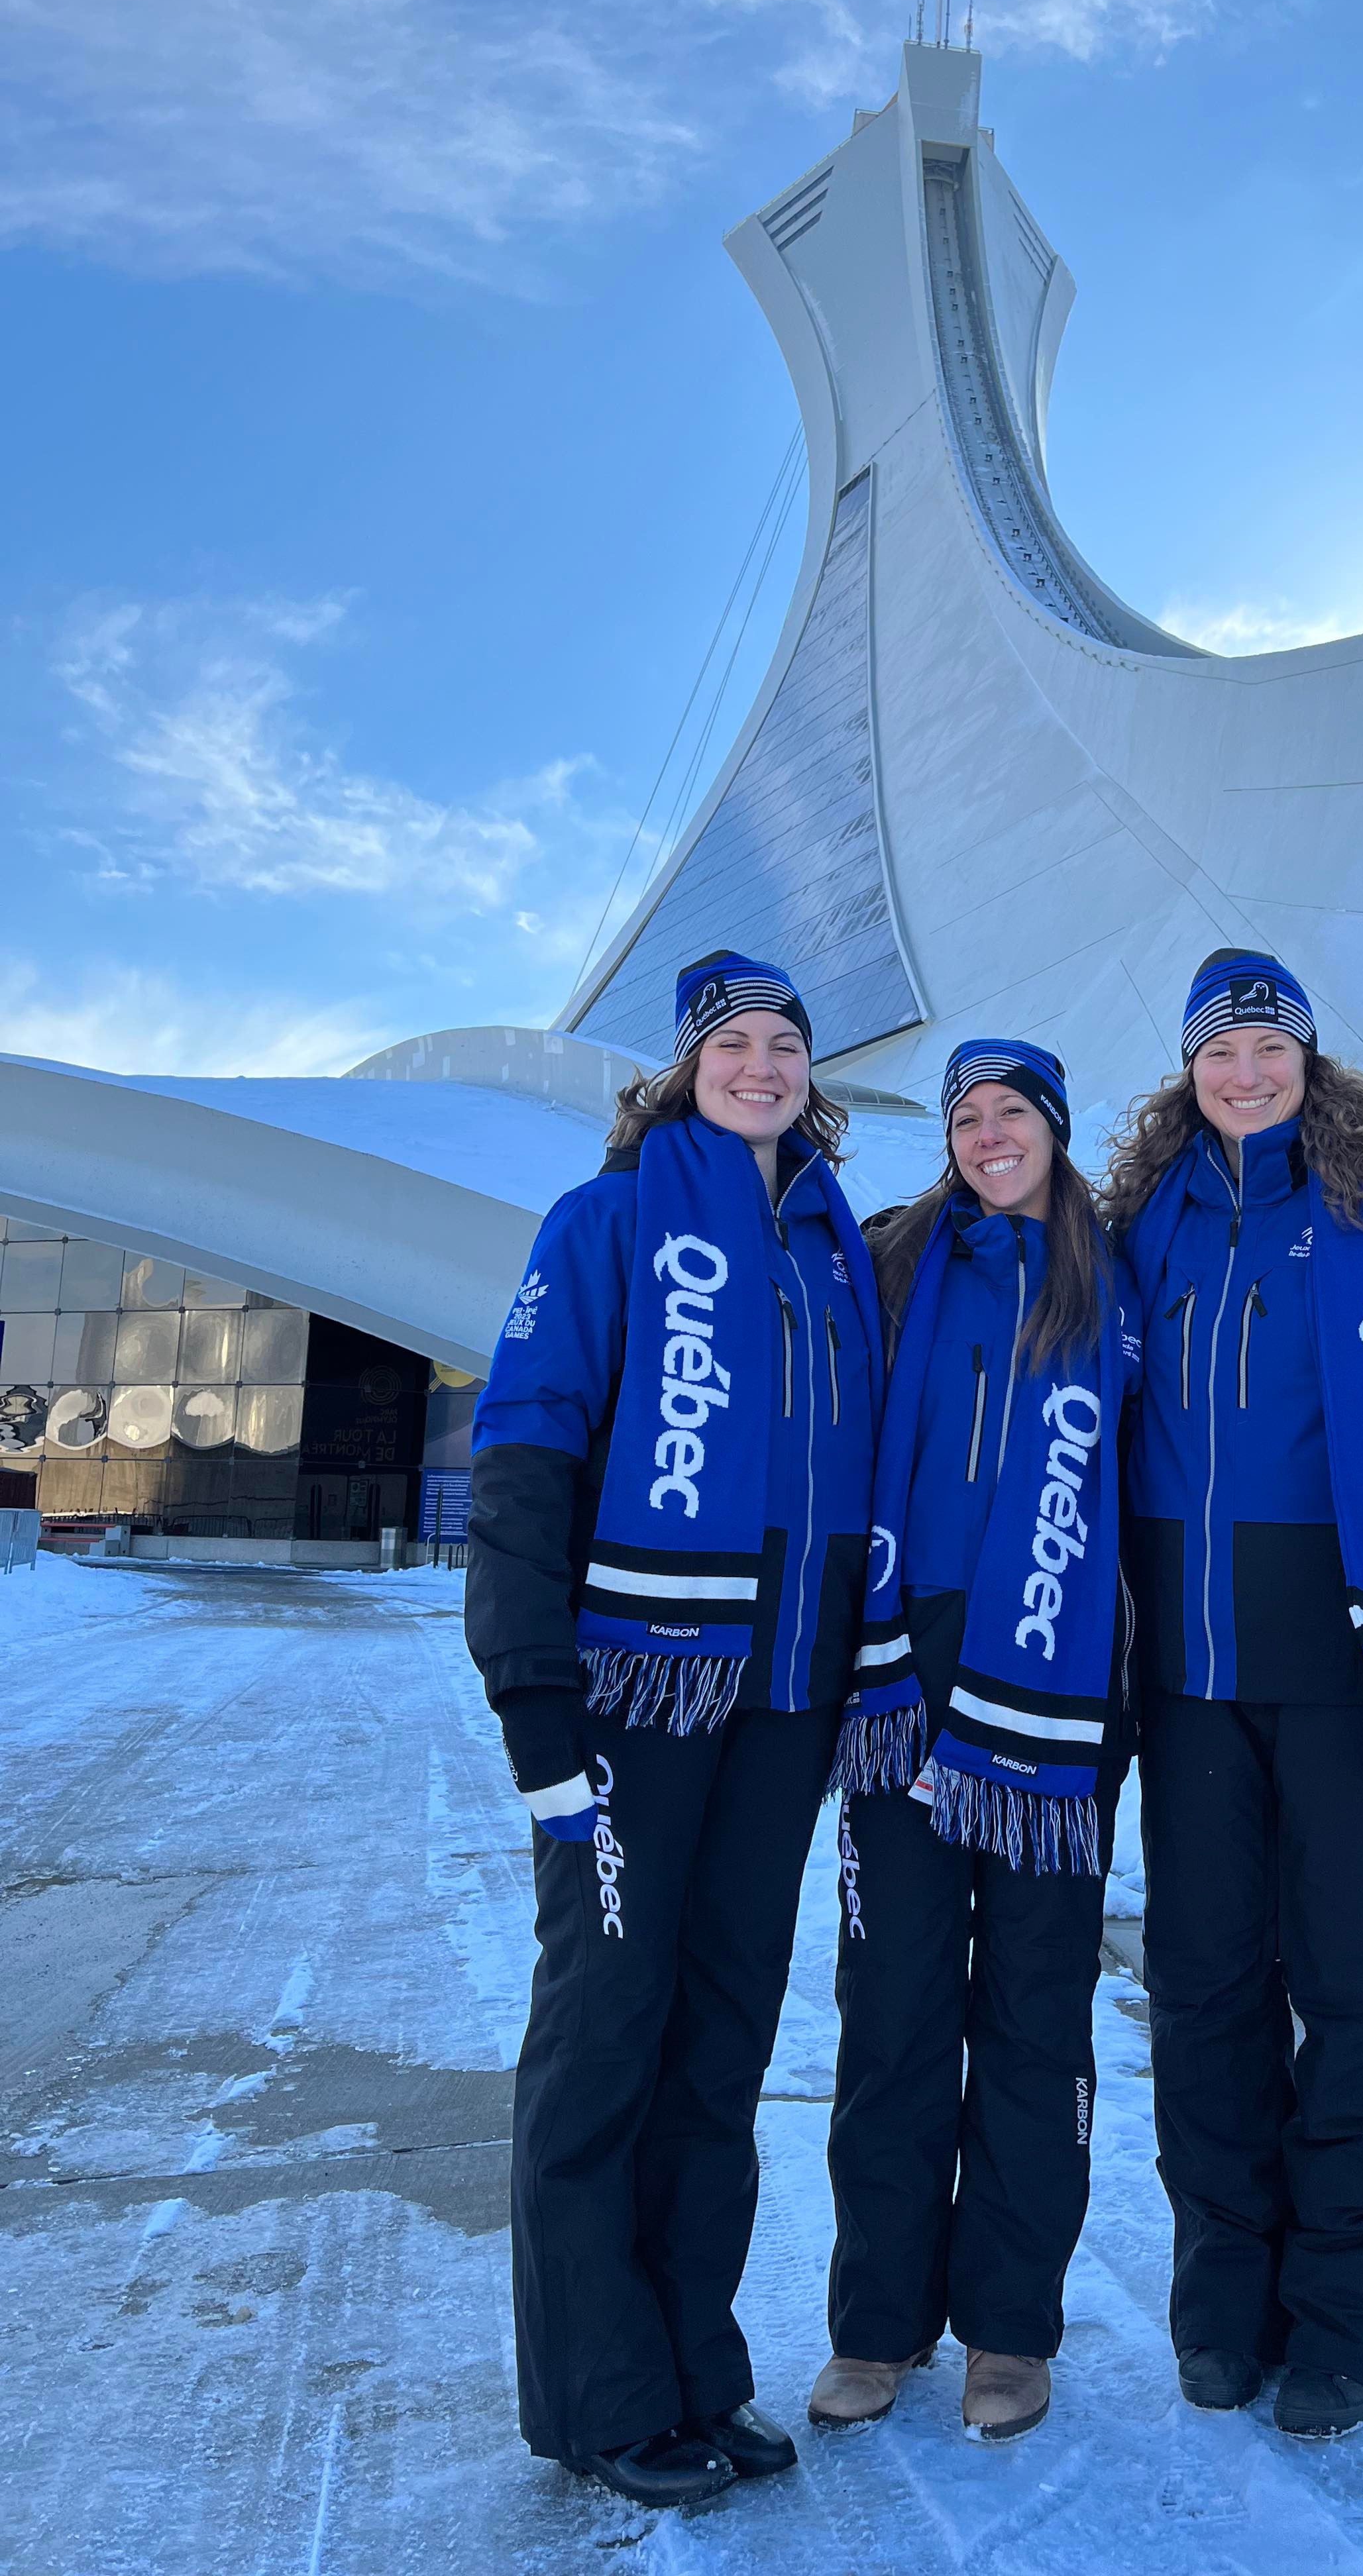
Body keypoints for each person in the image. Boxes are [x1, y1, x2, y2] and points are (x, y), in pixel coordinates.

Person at [463, 949, 883, 2512]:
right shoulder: (609, 1223)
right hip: (637, 1698)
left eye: (785, 1043)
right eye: (733, 1042)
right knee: (604, 2040)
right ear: (684, 1068)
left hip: (780, 1706)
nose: (762, 1064)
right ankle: (604, 2396)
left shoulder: (833, 1252)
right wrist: (533, 1698)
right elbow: (524, 1460)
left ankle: (696, 2364)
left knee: (720, 2048)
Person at [1104, 949, 1363, 2441]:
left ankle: (1350, 2321)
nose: (1245, 1073)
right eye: (1219, 1051)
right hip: (1192, 1684)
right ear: (1188, 1072)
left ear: (1309, 1060)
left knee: (1358, 1997)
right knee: (1206, 1994)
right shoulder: (1143, 1224)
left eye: (1268, 1047)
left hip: (1357, 1678)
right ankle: (1227, 2302)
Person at [808, 1040, 1132, 2446]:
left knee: (1035, 2012)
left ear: (1054, 1129)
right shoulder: (894, 1260)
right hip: (903, 1668)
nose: (989, 1135)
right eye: (967, 1117)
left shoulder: (1120, 1276)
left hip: (1060, 1673)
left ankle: (1010, 2326)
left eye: (1013, 1113)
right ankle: (876, 2323)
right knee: (892, 2009)